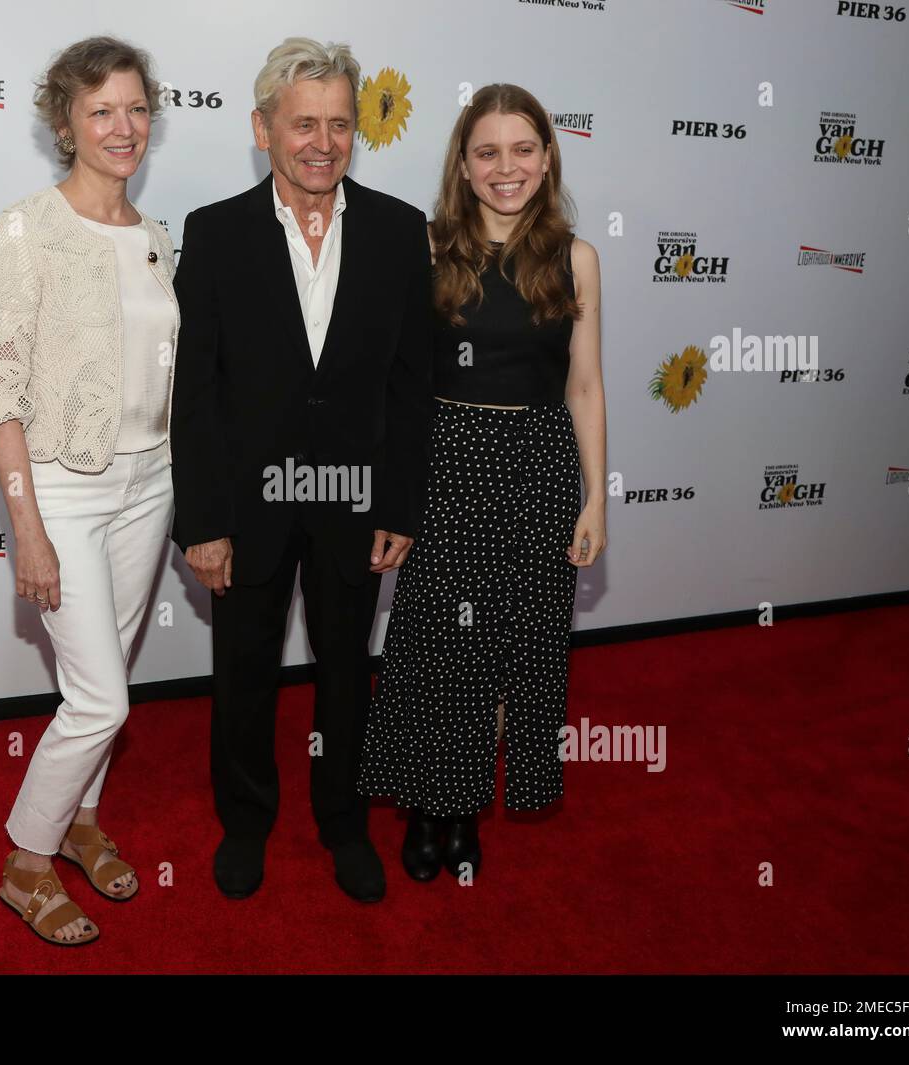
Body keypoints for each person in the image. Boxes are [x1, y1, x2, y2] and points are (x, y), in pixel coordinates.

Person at [170, 37, 433, 903]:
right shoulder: (213, 234)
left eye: (340, 125)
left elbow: (409, 382)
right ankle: (246, 821)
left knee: (348, 667)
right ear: (262, 129)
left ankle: (345, 821)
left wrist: (397, 499)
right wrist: (203, 520)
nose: (323, 143)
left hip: (356, 501)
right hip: (249, 504)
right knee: (242, 668)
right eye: (303, 125)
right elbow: (196, 390)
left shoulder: (400, 231)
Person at [357, 83, 607, 882]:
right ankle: (430, 806)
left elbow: (586, 386)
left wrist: (597, 495)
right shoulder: (426, 249)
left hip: (537, 464)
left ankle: (466, 807)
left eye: (524, 150)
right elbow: (396, 379)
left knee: (514, 648)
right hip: (448, 461)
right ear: (464, 166)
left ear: (547, 157)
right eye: (488, 152)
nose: (508, 168)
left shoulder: (576, 258)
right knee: (440, 648)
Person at [0, 36, 178, 945]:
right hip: (62, 486)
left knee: (104, 679)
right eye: (101, 111)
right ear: (65, 123)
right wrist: (28, 525)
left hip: (151, 483)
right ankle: (25, 860)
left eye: (135, 108)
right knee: (101, 699)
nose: (122, 127)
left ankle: (80, 823)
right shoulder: (25, 229)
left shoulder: (155, 237)